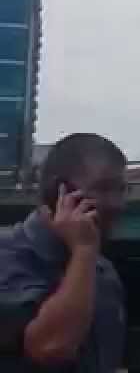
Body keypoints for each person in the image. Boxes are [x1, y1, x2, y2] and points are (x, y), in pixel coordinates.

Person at [0, 133, 128, 372]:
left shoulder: (103, 274)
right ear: (59, 192)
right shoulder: (7, 256)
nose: (117, 203)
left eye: (121, 190)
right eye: (104, 188)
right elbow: (51, 347)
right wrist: (83, 250)